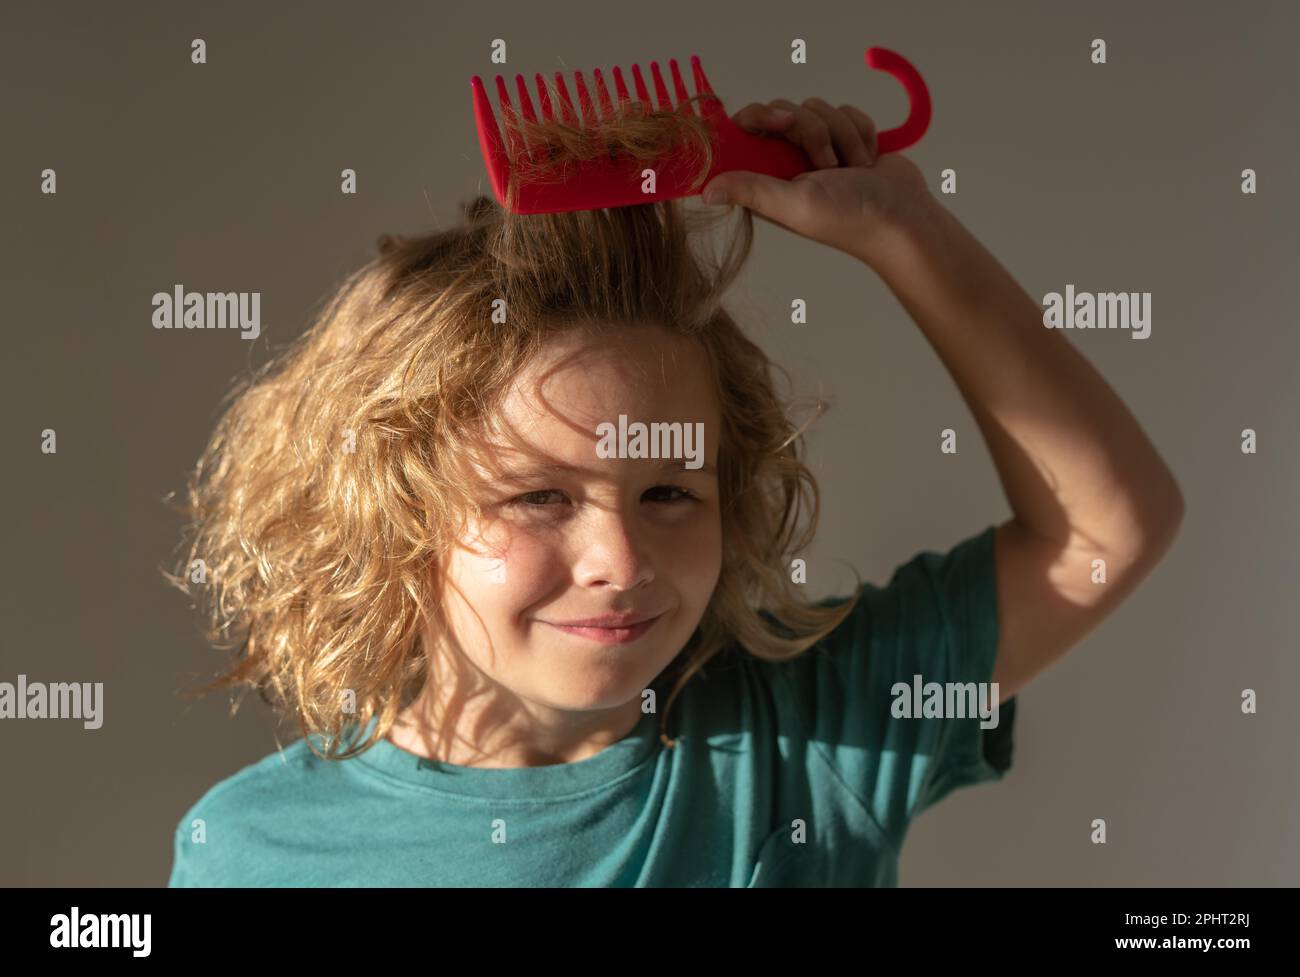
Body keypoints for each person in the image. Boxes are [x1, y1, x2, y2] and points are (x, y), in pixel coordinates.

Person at [164, 93, 1184, 887]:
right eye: (539, 497)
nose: (619, 560)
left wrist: (903, 233)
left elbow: (1106, 525)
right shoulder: (254, 850)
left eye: (666, 492)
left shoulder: (811, 729)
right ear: (395, 510)